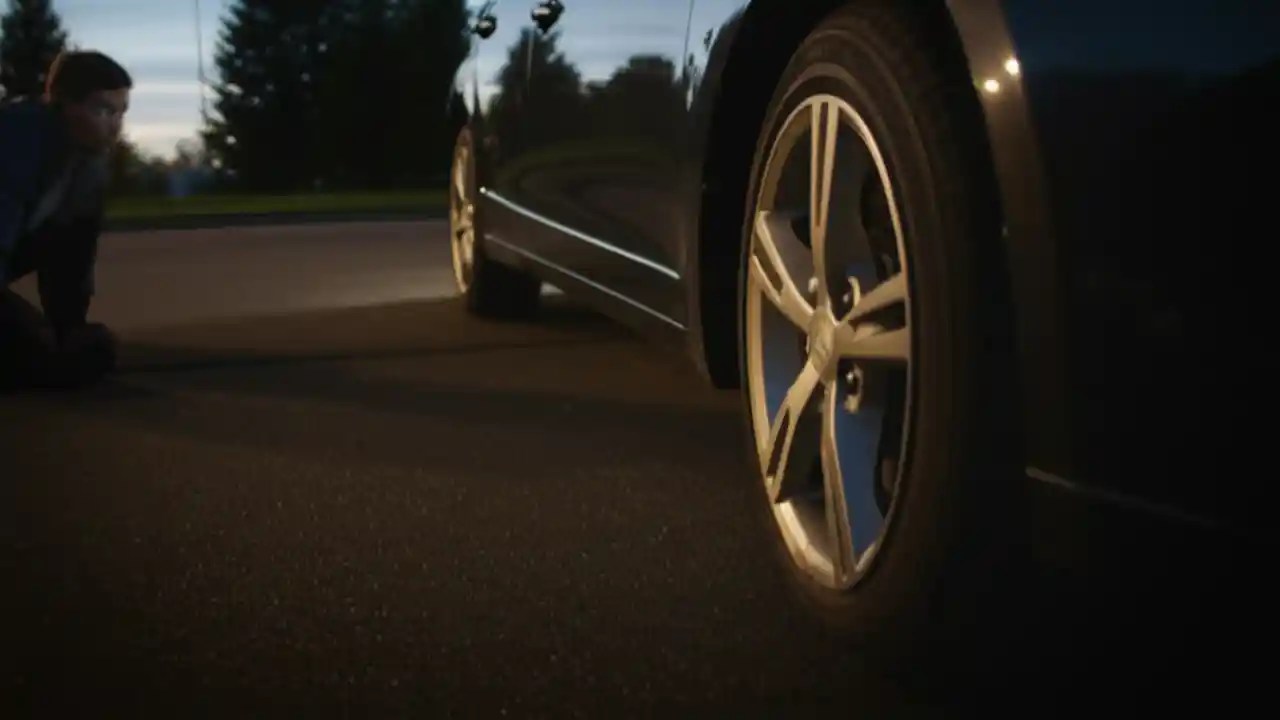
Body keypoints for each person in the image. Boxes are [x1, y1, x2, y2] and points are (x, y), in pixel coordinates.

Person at [0, 50, 130, 392]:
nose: (114, 124)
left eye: (120, 112)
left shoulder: (89, 162)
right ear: (61, 104)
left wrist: (69, 328)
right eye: (102, 110)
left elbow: (74, 251)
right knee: (39, 357)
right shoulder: (18, 138)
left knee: (72, 348)